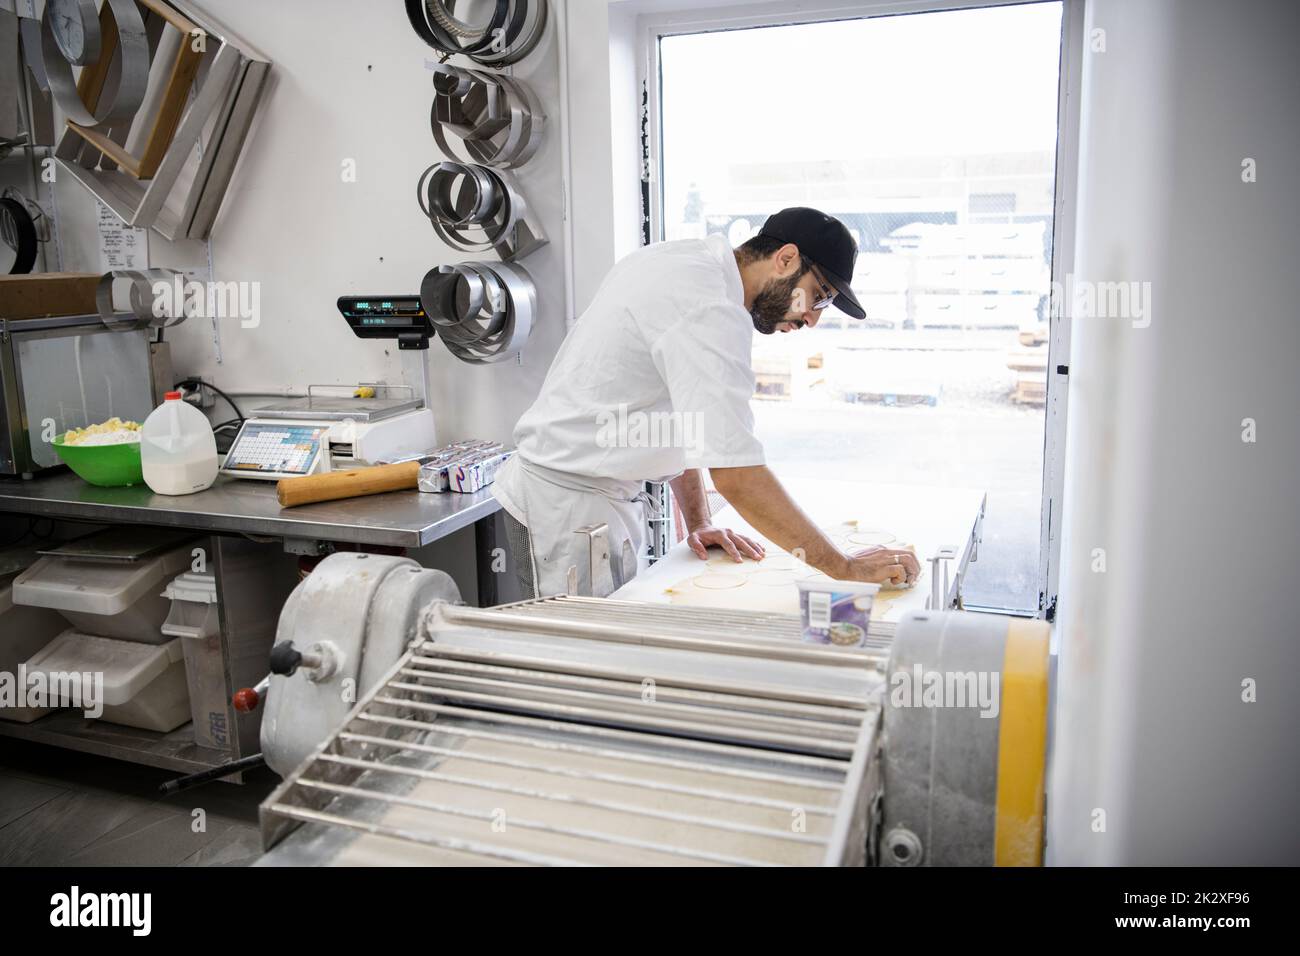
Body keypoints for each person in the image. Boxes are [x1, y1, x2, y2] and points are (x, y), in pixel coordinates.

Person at [494, 206, 922, 598]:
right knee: (578, 668)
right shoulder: (709, 306)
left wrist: (699, 520)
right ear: (786, 258)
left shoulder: (684, 262)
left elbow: (686, 417)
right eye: (819, 296)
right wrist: (842, 566)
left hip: (583, 495)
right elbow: (737, 476)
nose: (813, 318)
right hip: (566, 511)